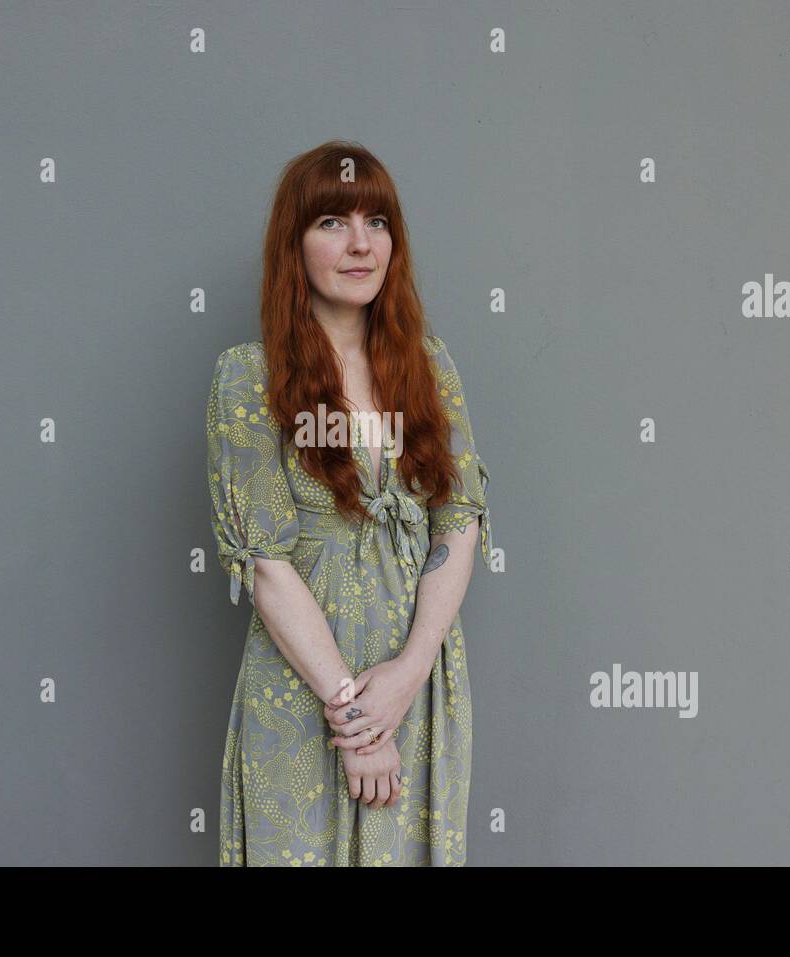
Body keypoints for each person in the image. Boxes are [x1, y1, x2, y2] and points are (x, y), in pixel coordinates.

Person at [205, 140, 494, 866]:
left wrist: (407, 674)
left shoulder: (431, 366)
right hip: (308, 696)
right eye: (333, 222)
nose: (361, 243)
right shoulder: (248, 379)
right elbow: (265, 565)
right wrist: (358, 717)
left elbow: (457, 524)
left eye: (378, 221)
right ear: (293, 245)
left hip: (417, 688)